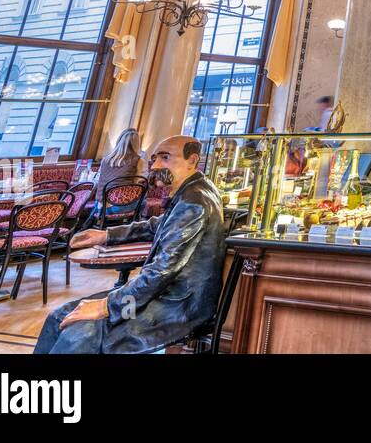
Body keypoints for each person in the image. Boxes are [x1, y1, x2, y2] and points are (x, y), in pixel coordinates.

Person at [33, 134, 226, 354]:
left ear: (192, 160)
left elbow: (161, 272)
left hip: (172, 306)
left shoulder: (194, 202)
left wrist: (107, 306)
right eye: (154, 159)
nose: (155, 165)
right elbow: (157, 225)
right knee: (60, 315)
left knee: (81, 331)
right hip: (162, 296)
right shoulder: (195, 190)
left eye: (165, 157)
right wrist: (107, 235)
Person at [94, 129, 145, 197]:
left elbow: (98, 180)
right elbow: (136, 182)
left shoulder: (105, 159)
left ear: (119, 141)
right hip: (120, 202)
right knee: (143, 201)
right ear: (137, 144)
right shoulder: (138, 160)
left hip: (100, 202)